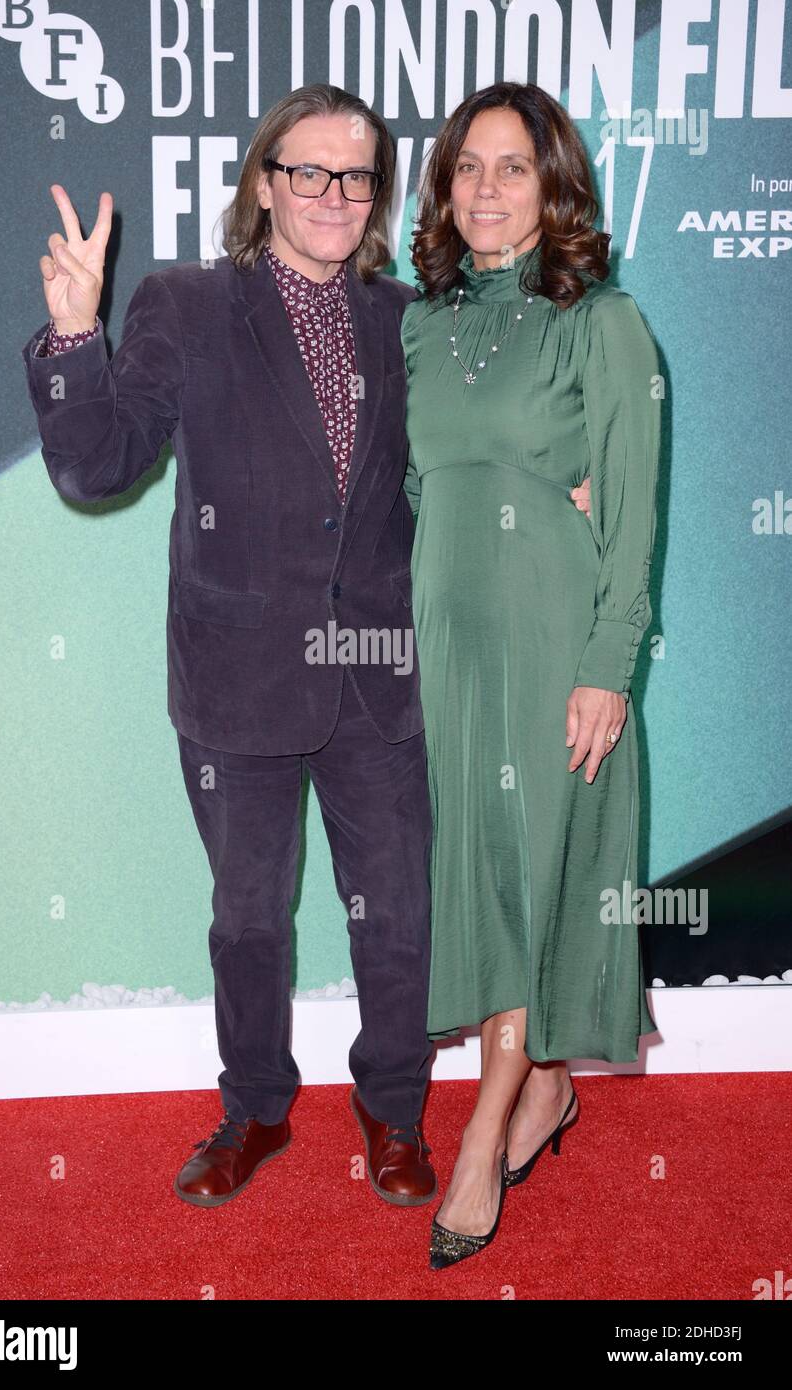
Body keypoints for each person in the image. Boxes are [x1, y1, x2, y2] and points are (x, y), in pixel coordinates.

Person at [20, 84, 443, 1212]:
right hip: (237, 679)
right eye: (307, 171)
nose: (333, 195)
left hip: (375, 678)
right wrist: (73, 336)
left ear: (376, 195)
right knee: (248, 919)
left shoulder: (408, 319)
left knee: (397, 913)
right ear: (264, 184)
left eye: (355, 176)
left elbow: (453, 476)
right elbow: (98, 465)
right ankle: (254, 1109)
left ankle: (393, 1113)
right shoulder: (184, 304)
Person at [399, 82, 662, 1269]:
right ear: (443, 188)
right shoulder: (419, 321)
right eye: (467, 168)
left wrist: (608, 663)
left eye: (514, 168)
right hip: (449, 648)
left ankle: (485, 1127)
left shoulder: (600, 322)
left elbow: (633, 508)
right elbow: (419, 486)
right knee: (490, 872)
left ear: (554, 187)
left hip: (554, 641)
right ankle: (549, 1087)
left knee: (530, 880)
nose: (487, 190)